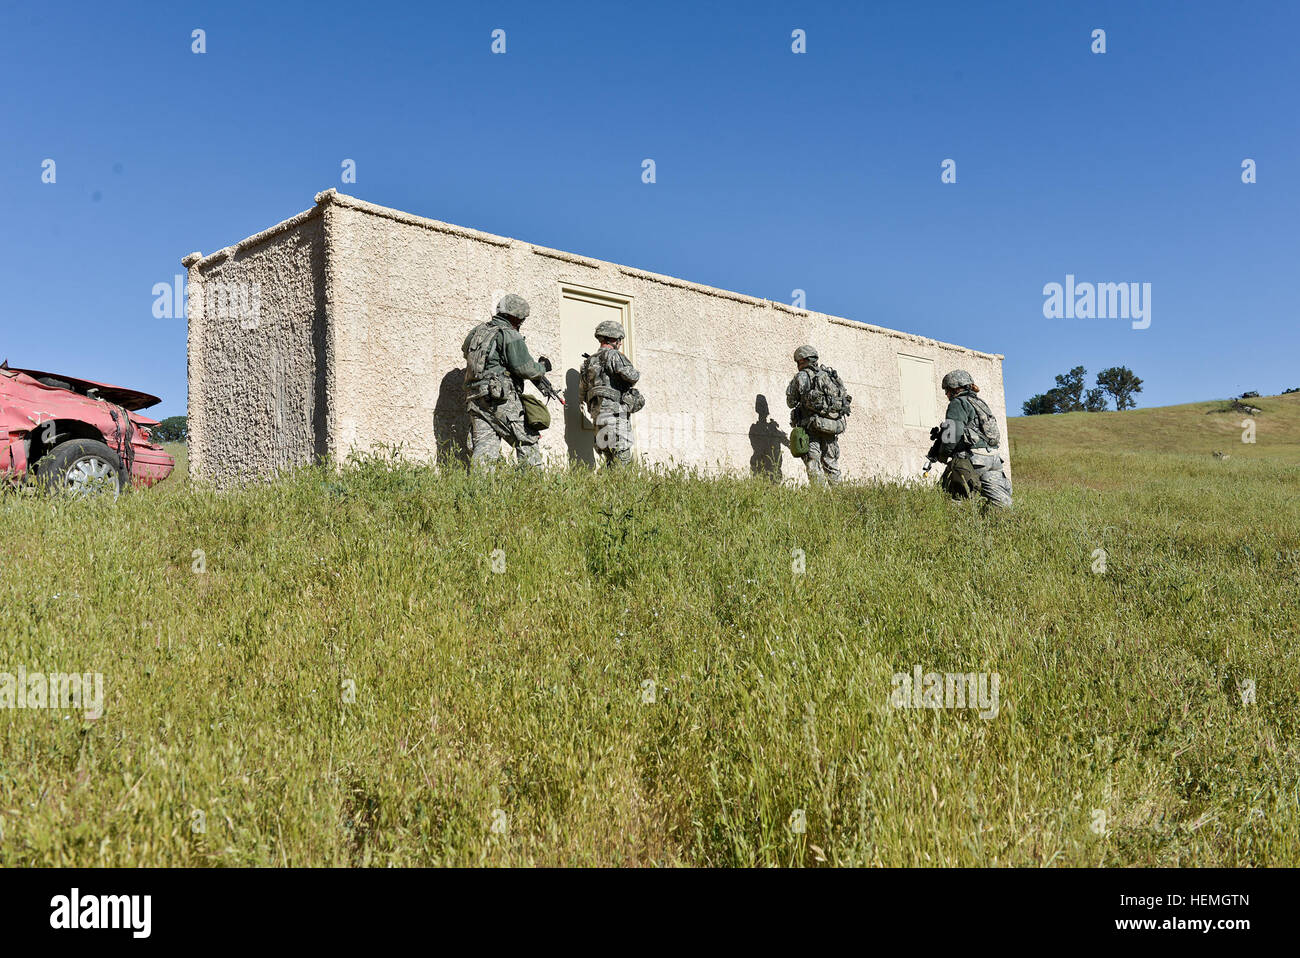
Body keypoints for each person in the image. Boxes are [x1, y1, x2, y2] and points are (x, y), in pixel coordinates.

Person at [461, 293, 555, 469]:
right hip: (500, 397)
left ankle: (480, 491)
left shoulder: (478, 331)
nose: (522, 322)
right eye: (522, 319)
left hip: (476, 397)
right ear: (515, 316)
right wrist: (542, 367)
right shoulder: (510, 334)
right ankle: (534, 487)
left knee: (484, 446)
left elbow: (466, 351)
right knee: (526, 439)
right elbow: (525, 369)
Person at [925, 369, 1012, 508]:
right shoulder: (979, 402)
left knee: (946, 495)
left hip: (974, 459)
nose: (946, 394)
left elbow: (953, 433)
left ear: (955, 388)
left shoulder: (957, 403)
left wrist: (942, 454)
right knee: (999, 500)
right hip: (994, 459)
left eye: (947, 390)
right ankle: (1004, 517)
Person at [579, 319, 642, 469]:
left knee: (610, 461)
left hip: (598, 420)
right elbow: (633, 376)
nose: (620, 343)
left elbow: (582, 392)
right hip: (615, 416)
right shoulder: (614, 355)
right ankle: (624, 492)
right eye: (620, 339)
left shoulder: (588, 362)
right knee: (623, 463)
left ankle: (607, 492)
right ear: (613, 338)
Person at [785, 345, 851, 487]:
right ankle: (841, 498)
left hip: (811, 428)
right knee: (831, 464)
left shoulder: (801, 376)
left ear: (802, 360)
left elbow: (791, 402)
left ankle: (821, 500)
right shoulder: (829, 375)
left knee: (813, 464)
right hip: (830, 427)